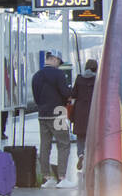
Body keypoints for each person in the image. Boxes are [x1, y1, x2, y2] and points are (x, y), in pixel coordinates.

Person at [32, 52, 73, 188]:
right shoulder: (59, 74)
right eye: (58, 62)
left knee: (45, 145)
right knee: (64, 144)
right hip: (58, 113)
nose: (59, 65)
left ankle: (46, 177)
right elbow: (65, 93)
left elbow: (36, 98)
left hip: (43, 114)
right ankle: (61, 177)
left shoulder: (36, 75)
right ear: (54, 59)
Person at [69, 59, 98, 171]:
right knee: (93, 136)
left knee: (80, 136)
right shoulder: (97, 79)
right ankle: (91, 159)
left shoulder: (79, 78)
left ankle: (81, 155)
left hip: (80, 111)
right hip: (93, 110)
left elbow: (73, 94)